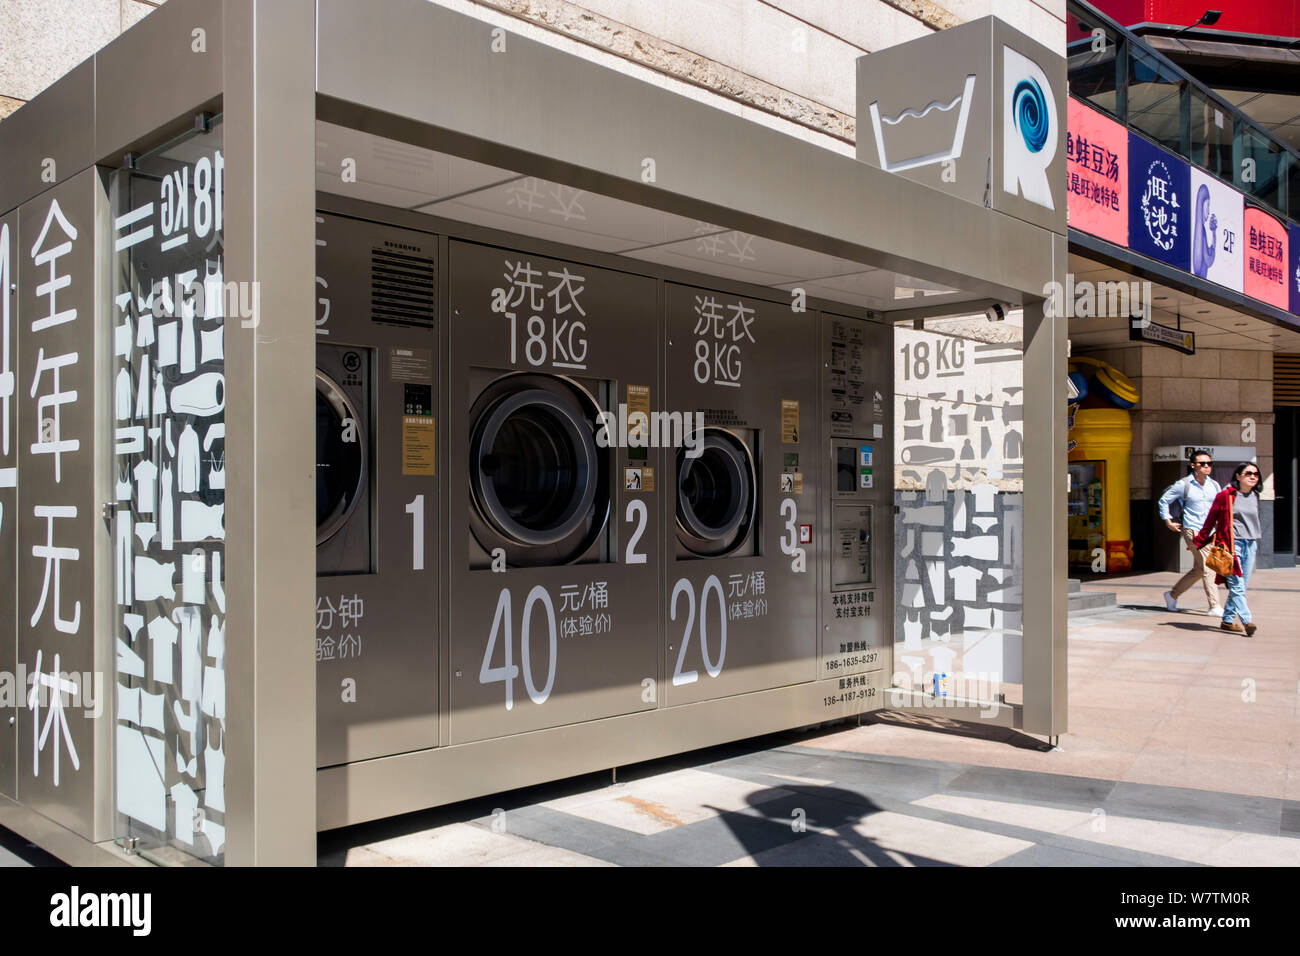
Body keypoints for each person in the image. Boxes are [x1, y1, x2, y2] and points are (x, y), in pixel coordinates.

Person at [1193, 463, 1262, 637]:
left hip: (1251, 543)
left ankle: (1227, 621)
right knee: (1237, 585)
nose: (1253, 477)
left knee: (1241, 586)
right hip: (1230, 546)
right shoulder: (1225, 496)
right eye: (1248, 473)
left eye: (1255, 474)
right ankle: (1247, 620)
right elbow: (1210, 520)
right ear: (1238, 476)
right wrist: (1200, 540)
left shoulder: (1255, 495)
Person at [1158, 450, 1223, 615]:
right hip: (1193, 530)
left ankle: (1172, 595)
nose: (1206, 467)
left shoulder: (1214, 485)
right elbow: (1164, 500)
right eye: (1202, 464)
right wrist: (1168, 521)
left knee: (1199, 570)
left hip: (1211, 531)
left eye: (1209, 463)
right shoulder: (1184, 484)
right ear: (1193, 465)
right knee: (1209, 567)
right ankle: (1214, 606)